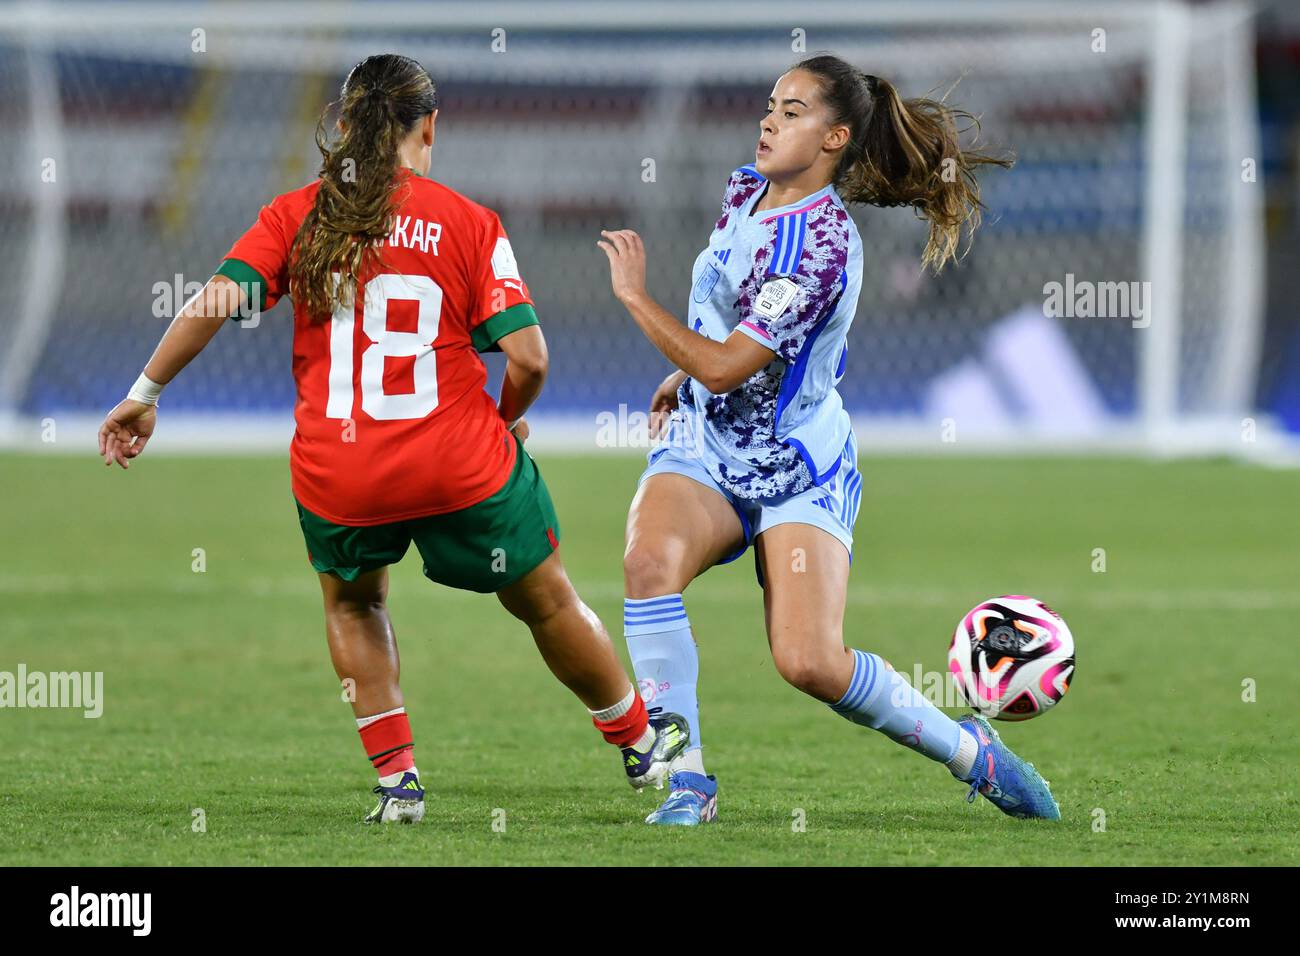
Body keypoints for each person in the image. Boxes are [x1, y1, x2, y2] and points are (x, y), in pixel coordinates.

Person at [97, 53, 687, 825]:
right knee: (544, 598)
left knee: (353, 606)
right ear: (429, 126)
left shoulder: (298, 214)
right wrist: (503, 419)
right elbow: (530, 357)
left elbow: (213, 301)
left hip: (342, 473)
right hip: (457, 466)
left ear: (344, 126)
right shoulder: (468, 221)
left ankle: (397, 782)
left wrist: (144, 395)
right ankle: (639, 744)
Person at [597, 54, 1058, 826]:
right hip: (708, 449)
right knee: (648, 563)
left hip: (797, 468)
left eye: (794, 110)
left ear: (836, 137)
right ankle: (687, 781)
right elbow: (722, 321)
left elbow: (726, 366)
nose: (769, 120)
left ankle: (971, 753)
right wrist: (682, 375)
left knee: (809, 662)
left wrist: (636, 300)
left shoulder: (822, 248)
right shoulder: (746, 188)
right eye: (771, 105)